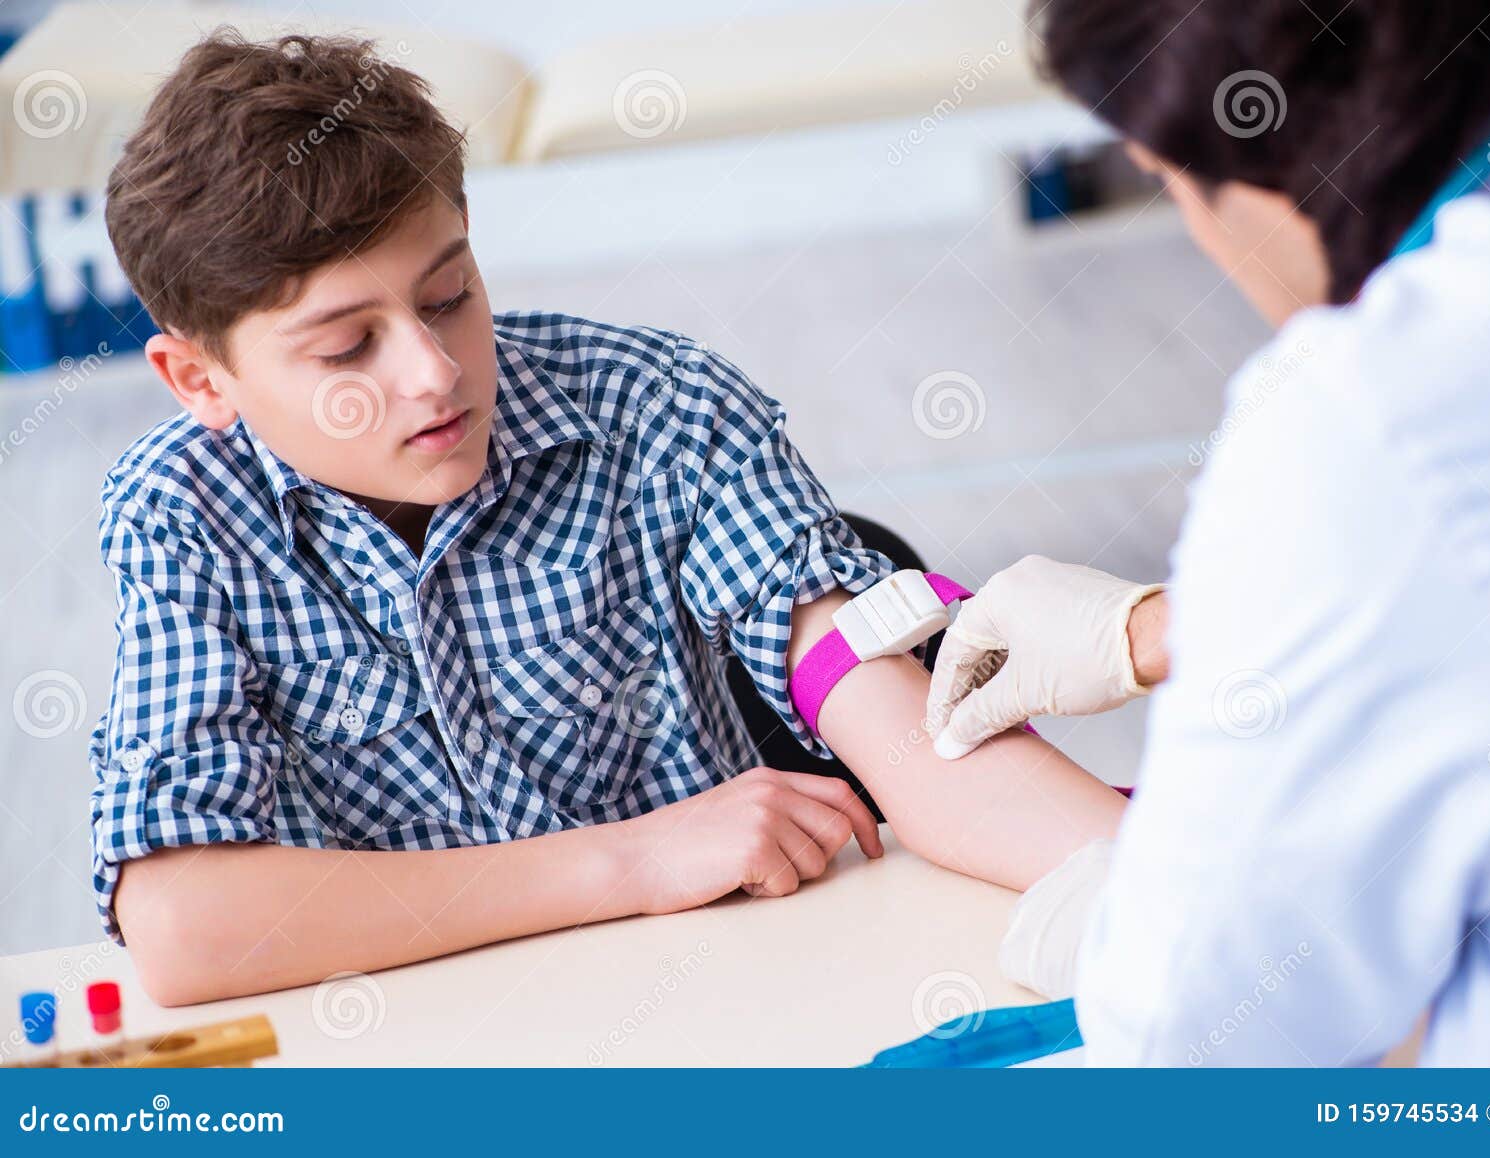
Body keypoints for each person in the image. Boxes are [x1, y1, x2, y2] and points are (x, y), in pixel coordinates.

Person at [92, 29, 1123, 1005]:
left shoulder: (659, 405)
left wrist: (1157, 876)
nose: (433, 372)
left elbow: (901, 734)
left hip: (732, 999)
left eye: (449, 294)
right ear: (199, 380)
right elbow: (185, 925)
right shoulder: (183, 517)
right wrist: (627, 859)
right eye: (344, 348)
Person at [926, 0, 1490, 1064]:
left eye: (1165, 182)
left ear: (1257, 144)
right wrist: (1172, 627)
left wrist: (1121, 928)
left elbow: (1198, 1044)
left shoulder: (1387, 407)